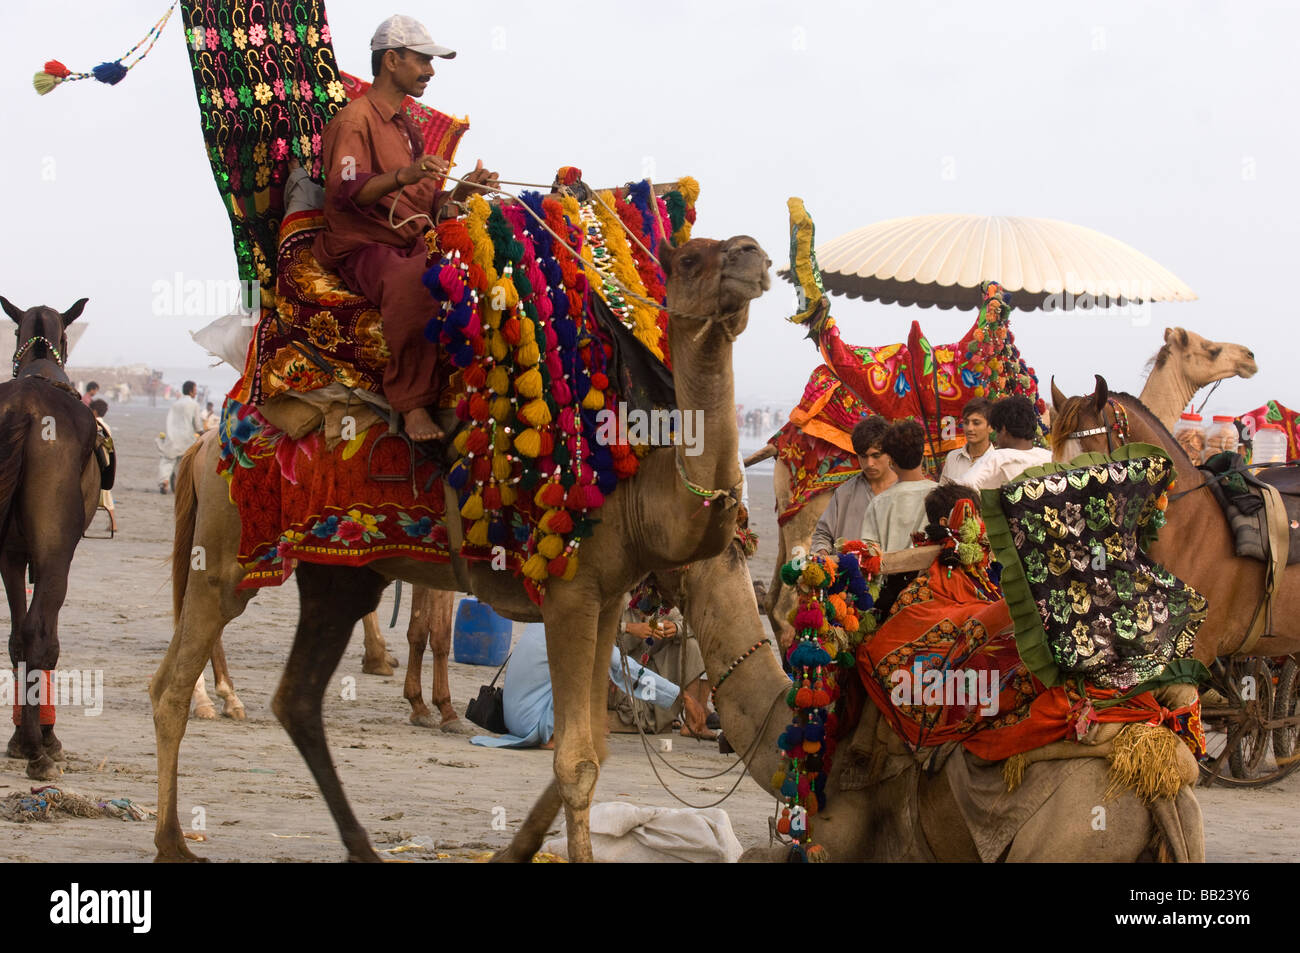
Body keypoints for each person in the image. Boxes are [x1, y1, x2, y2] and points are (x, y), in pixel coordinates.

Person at [313, 14, 499, 443]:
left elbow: (428, 206)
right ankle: (413, 406)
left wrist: (466, 192)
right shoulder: (354, 121)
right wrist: (405, 175)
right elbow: (346, 191)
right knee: (414, 283)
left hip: (410, 239)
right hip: (365, 245)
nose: (431, 71)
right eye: (423, 61)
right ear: (392, 60)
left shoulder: (407, 127)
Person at [470, 623, 681, 749]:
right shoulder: (574, 623)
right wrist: (674, 695)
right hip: (533, 725)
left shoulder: (542, 616)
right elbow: (623, 667)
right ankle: (555, 735)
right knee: (591, 663)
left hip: (511, 719)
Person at [612, 580, 715, 739]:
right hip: (618, 677)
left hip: (649, 669)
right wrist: (630, 628)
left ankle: (692, 723)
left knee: (692, 645)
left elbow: (695, 625)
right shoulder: (617, 600)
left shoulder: (658, 603)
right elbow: (594, 630)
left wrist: (676, 629)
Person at [810, 415, 895, 554]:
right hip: (848, 573)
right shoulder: (844, 493)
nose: (869, 464)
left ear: (890, 454)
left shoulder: (904, 492)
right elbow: (822, 535)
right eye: (863, 456)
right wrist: (823, 554)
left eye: (876, 455)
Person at [859, 419, 938, 553]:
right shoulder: (943, 494)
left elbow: (869, 554)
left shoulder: (879, 503)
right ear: (922, 454)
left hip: (890, 573)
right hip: (935, 574)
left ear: (891, 460)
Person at [961, 396, 1054, 491]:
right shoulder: (1050, 457)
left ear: (1003, 430)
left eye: (997, 431)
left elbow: (966, 485)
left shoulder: (996, 458)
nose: (997, 439)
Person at [157, 380, 205, 493]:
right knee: (183, 463)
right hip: (187, 438)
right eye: (195, 390)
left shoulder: (175, 404)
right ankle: (180, 485)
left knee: (167, 461)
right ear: (190, 391)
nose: (196, 392)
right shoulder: (194, 404)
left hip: (172, 436)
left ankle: (164, 481)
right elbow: (197, 425)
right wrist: (203, 434)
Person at [940, 397, 993, 484]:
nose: (970, 428)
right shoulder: (952, 458)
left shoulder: (996, 462)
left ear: (991, 427)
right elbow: (942, 494)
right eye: (966, 422)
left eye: (976, 423)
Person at [90, 398, 117, 533]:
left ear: (94, 411)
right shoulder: (106, 426)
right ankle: (112, 524)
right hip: (105, 462)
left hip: (98, 463)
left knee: (105, 496)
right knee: (106, 495)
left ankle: (113, 524)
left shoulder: (96, 425)